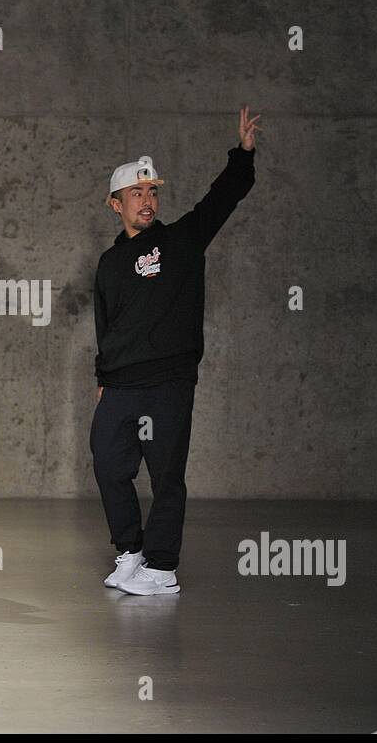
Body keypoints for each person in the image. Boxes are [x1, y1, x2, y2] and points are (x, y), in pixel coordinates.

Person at [91, 106, 260, 595]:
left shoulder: (183, 240)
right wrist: (104, 383)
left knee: (166, 474)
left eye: (152, 192)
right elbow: (108, 328)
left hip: (168, 382)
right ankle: (131, 551)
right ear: (114, 204)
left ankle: (162, 568)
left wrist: (243, 155)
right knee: (107, 463)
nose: (146, 201)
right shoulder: (108, 263)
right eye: (136, 194)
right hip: (120, 384)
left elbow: (223, 197)